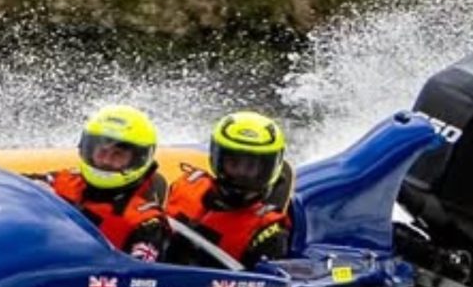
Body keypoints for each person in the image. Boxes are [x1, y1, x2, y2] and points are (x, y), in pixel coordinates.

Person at [165, 110, 294, 268]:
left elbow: (267, 286)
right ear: (217, 159)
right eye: (233, 163)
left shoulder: (268, 232)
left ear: (268, 168)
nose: (241, 173)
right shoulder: (186, 185)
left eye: (250, 167)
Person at [46, 104, 169, 262]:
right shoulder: (63, 181)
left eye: (117, 155)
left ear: (139, 159)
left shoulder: (145, 223)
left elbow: (141, 278)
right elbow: (11, 187)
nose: (105, 161)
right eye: (101, 152)